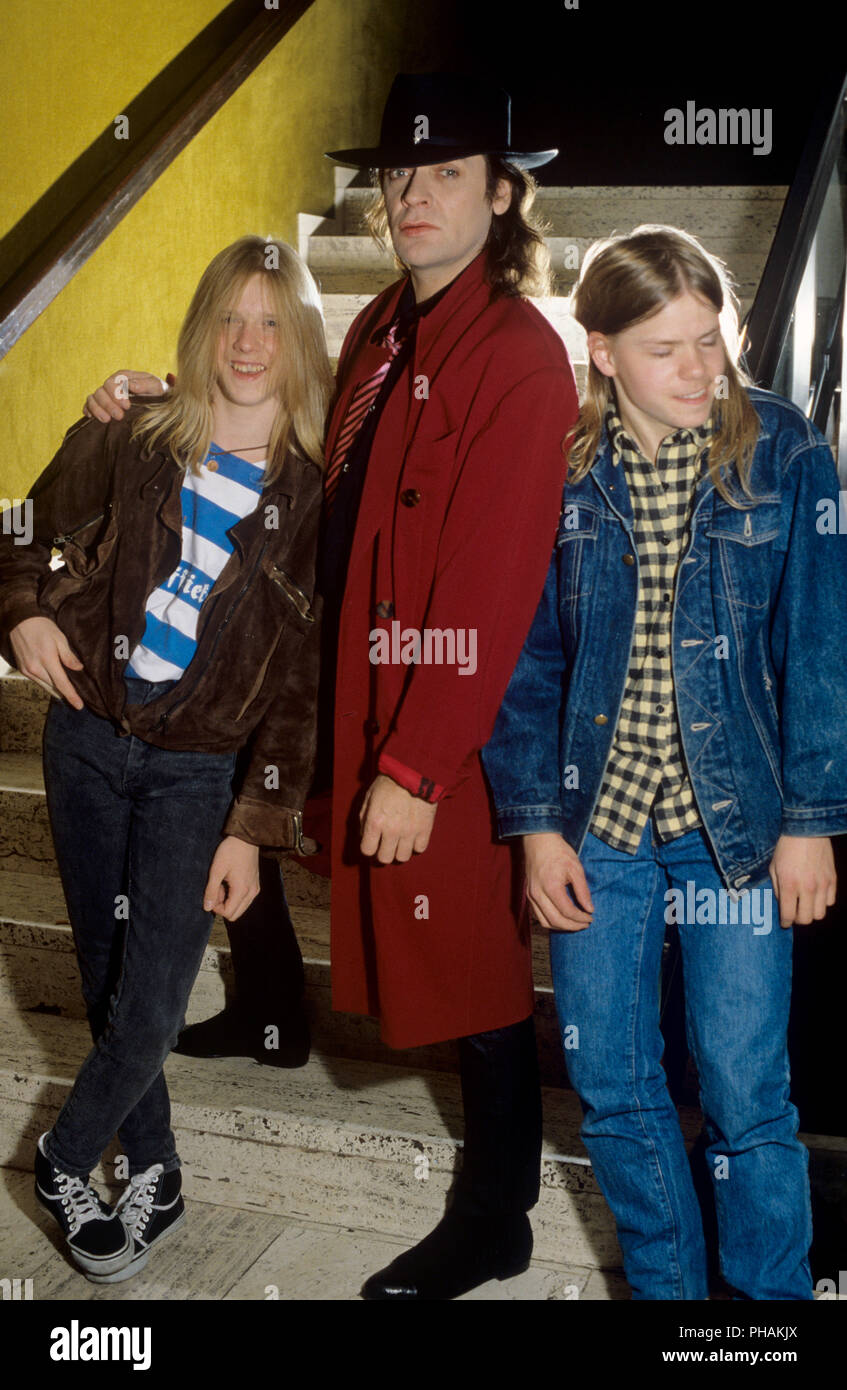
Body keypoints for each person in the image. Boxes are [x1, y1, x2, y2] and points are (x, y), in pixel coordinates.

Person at [85, 72, 578, 1300]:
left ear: (503, 195)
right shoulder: (378, 329)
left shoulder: (517, 350)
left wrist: (417, 763)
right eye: (399, 176)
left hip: (448, 720)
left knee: (470, 967)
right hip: (351, 676)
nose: (413, 197)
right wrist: (168, 399)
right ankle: (269, 1010)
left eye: (446, 175)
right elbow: (308, 456)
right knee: (252, 823)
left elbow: (492, 582)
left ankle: (495, 1214)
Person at [482, 224, 847, 1300]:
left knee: (744, 1089)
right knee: (611, 1082)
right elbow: (522, 656)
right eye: (665, 348)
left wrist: (810, 818)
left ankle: (769, 1311)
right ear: (600, 351)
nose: (702, 370)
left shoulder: (785, 450)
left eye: (711, 339)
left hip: (735, 829)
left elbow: (819, 648)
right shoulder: (559, 465)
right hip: (599, 822)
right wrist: (534, 823)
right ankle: (669, 1299)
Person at [0, 235, 331, 1282]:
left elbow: (297, 690)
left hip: (198, 771)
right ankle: (158, 1171)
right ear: (202, 328)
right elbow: (19, 526)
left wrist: (254, 825)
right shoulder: (132, 431)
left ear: (297, 341)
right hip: (88, 738)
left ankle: (58, 1157)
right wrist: (19, 619)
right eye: (229, 317)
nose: (246, 341)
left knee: (151, 998)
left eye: (270, 321)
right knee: (106, 976)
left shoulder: (315, 497)